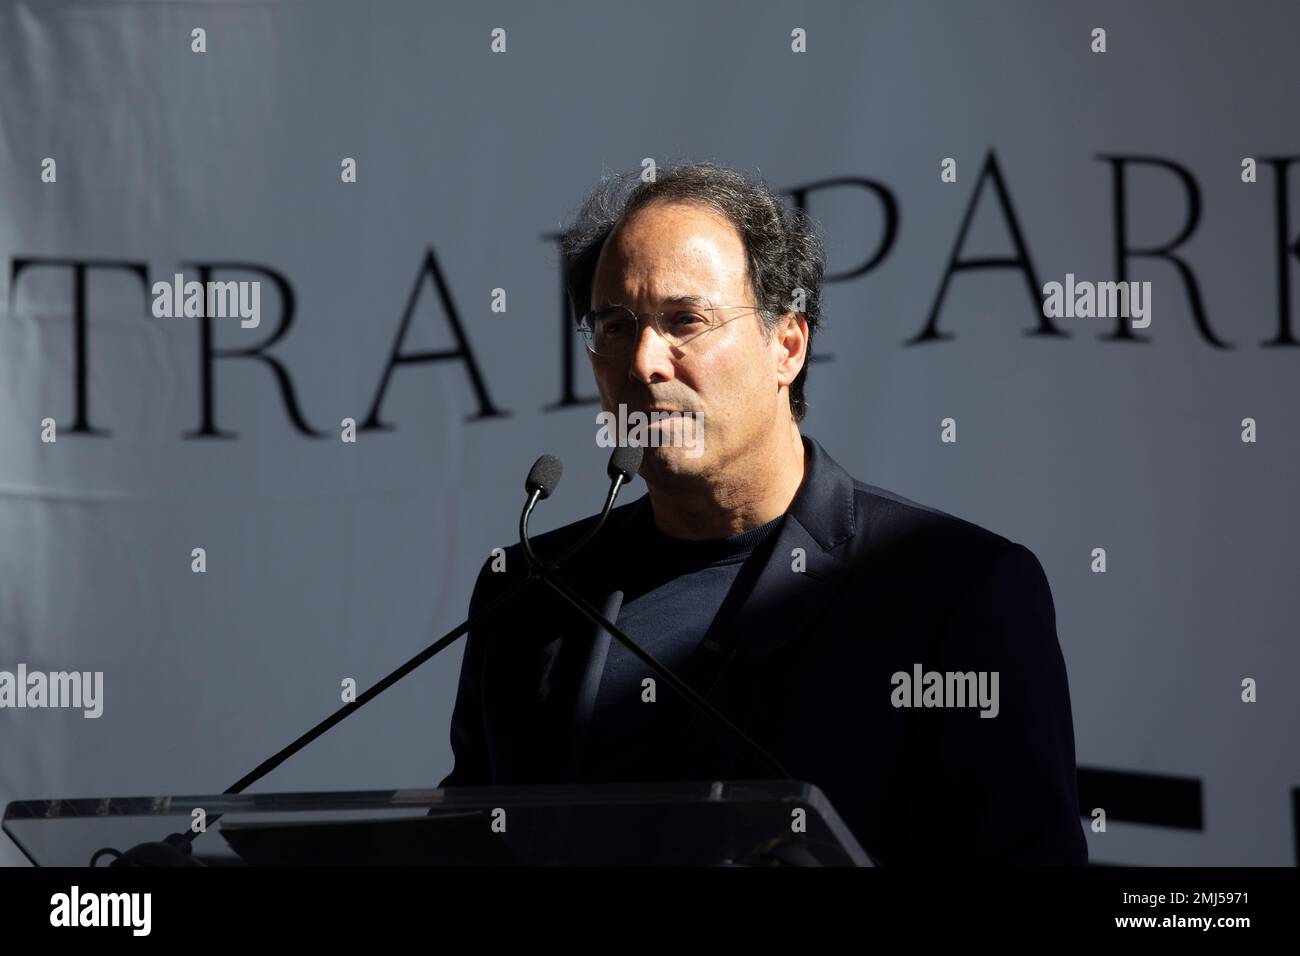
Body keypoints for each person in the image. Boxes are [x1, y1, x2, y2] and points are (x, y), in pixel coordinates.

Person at [440, 162, 1087, 865]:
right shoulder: (529, 594)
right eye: (616, 326)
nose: (646, 362)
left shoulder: (955, 593)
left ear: (787, 345)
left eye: (685, 320)